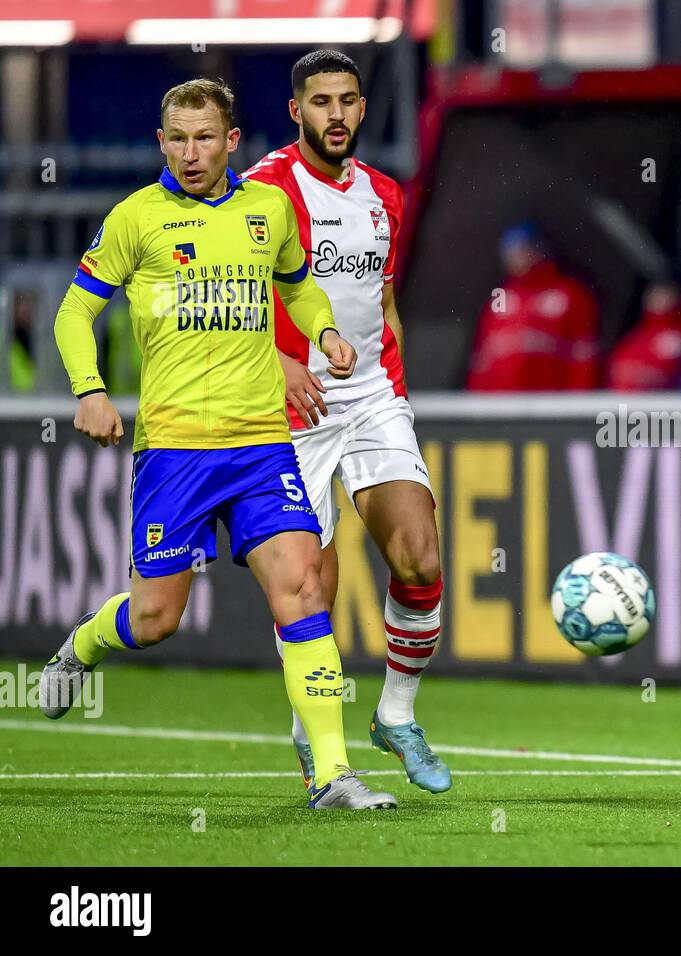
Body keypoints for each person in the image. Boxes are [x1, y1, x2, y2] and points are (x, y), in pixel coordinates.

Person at [41, 78, 392, 811]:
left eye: (206, 138)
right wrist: (89, 389)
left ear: (232, 141)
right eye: (178, 138)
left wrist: (323, 329)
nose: (191, 152)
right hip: (174, 451)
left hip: (263, 444)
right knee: (156, 619)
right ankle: (88, 644)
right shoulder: (136, 218)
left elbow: (297, 287)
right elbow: (75, 312)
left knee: (301, 587)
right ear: (161, 142)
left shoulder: (269, 211)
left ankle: (332, 774)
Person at [243, 50, 449, 794]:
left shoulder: (386, 196)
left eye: (349, 101)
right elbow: (235, 299)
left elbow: (384, 303)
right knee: (311, 593)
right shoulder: (262, 191)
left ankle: (395, 714)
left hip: (370, 396)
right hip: (287, 410)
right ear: (296, 111)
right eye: (321, 102)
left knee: (421, 558)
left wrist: (397, 392)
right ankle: (315, 746)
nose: (336, 114)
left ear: (364, 109)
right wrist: (282, 364)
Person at [465, 224, 600, 390]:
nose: (515, 257)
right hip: (502, 406)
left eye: (521, 249)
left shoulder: (570, 295)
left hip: (550, 404)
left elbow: (584, 355)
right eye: (509, 252)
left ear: (539, 249)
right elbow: (483, 360)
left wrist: (576, 405)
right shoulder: (501, 297)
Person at [606, 278, 681, 390]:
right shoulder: (636, 335)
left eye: (664, 295)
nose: (658, 300)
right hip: (624, 403)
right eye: (654, 295)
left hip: (666, 404)